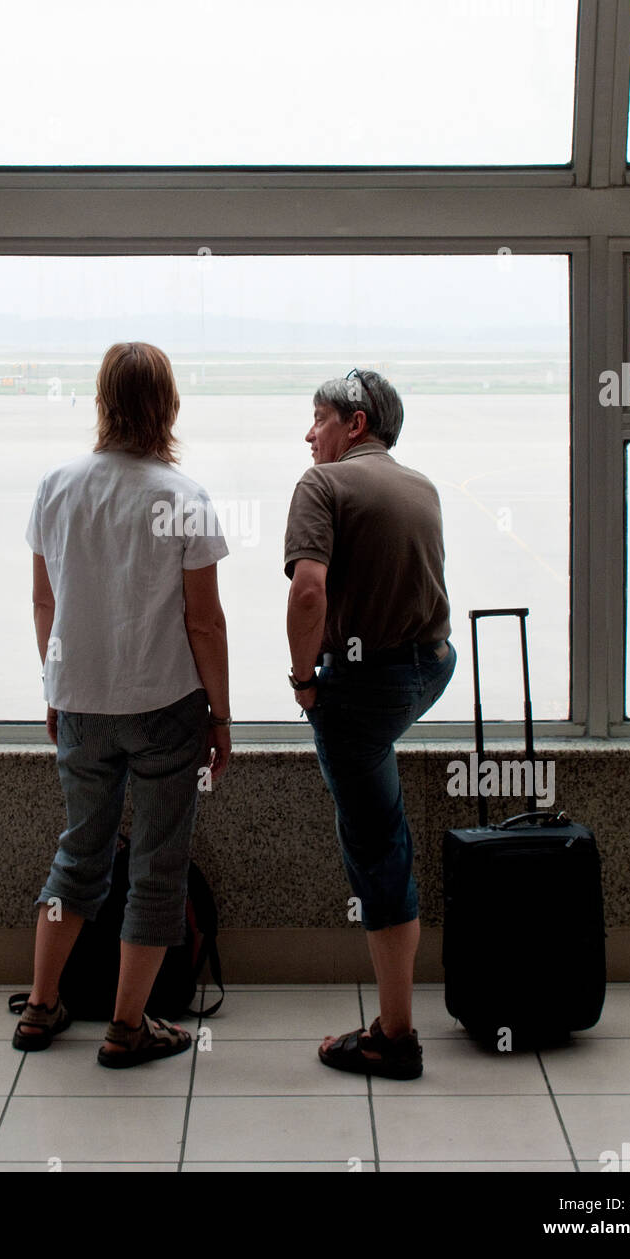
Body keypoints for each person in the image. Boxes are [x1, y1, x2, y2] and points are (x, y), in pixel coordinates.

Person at [14, 341, 231, 1067]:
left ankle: (41, 1006)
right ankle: (126, 1026)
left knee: (80, 853)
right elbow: (204, 622)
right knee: (157, 866)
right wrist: (220, 716)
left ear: (103, 401)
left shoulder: (55, 487)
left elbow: (44, 601)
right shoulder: (182, 497)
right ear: (167, 405)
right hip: (164, 703)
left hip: (80, 702)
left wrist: (56, 685)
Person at [284, 368, 455, 1079]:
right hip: (430, 667)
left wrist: (305, 681)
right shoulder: (421, 486)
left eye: (319, 419)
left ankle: (395, 1036)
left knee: (379, 849)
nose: (308, 434)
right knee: (382, 818)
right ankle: (395, 1019)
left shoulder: (322, 485)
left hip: (363, 688)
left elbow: (308, 593)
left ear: (355, 424)